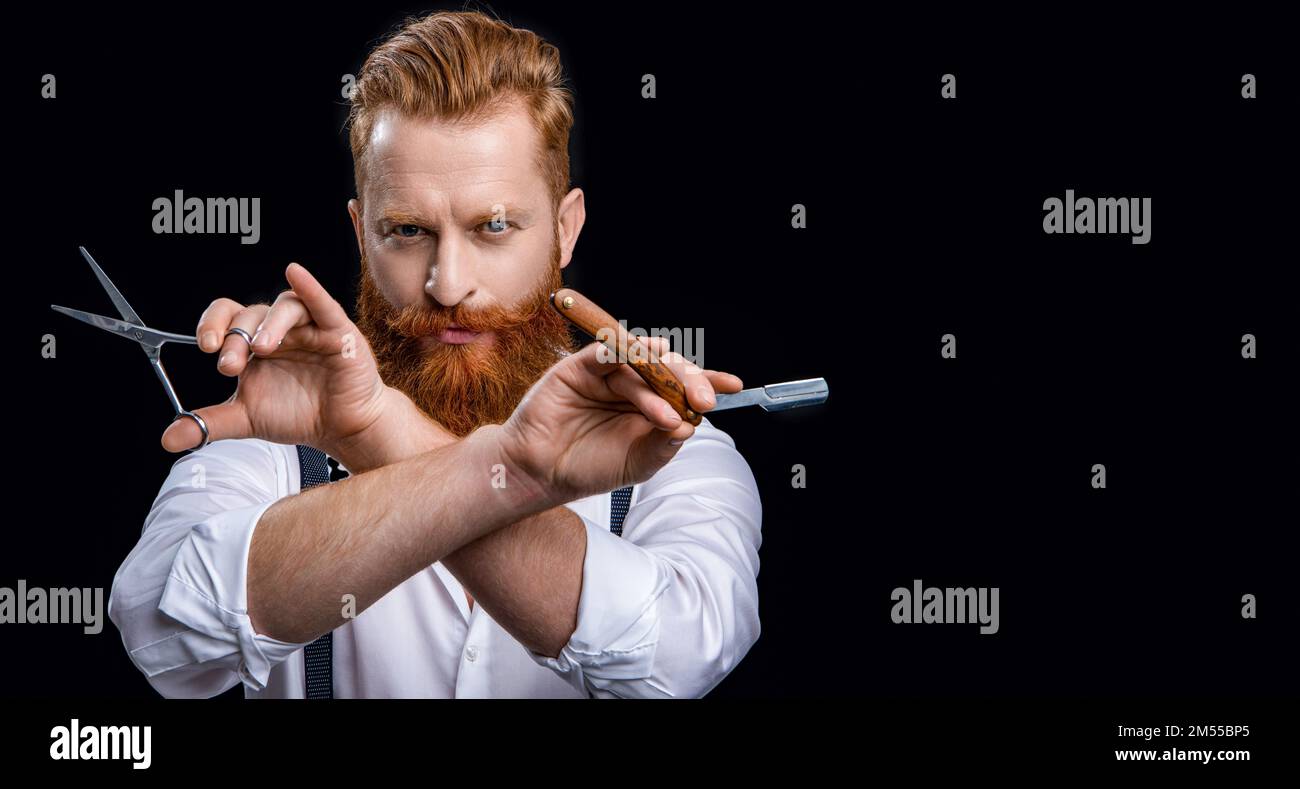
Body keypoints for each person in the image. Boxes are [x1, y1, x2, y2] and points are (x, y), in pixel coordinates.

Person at [107, 10, 761, 699]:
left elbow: (677, 660)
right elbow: (163, 634)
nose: (447, 284)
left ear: (565, 231)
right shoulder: (279, 427)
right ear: (362, 234)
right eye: (408, 230)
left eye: (495, 226)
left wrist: (379, 435)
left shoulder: (671, 453)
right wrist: (422, 446)